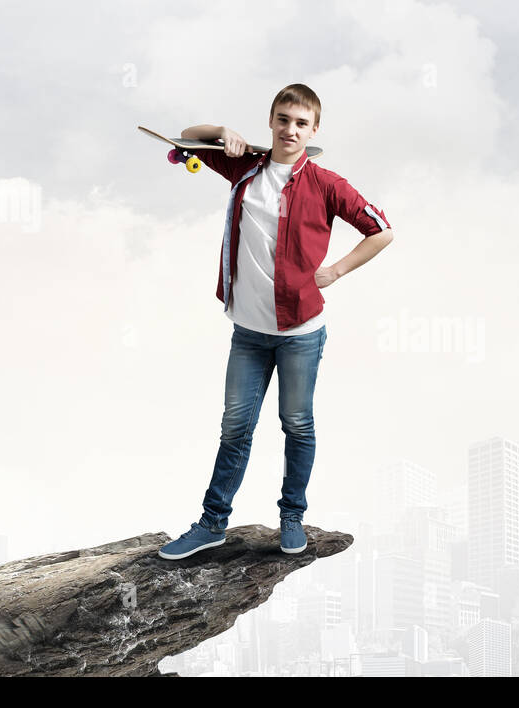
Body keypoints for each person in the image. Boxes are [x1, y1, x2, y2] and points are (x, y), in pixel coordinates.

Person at [159, 83, 394, 559]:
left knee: (297, 423)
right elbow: (184, 139)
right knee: (235, 428)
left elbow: (381, 230)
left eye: (301, 123)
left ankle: (291, 516)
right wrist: (221, 131)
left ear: (314, 130)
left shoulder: (328, 184)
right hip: (248, 332)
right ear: (271, 121)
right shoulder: (245, 167)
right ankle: (212, 523)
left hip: (299, 335)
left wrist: (336, 270)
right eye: (283, 119)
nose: (290, 129)